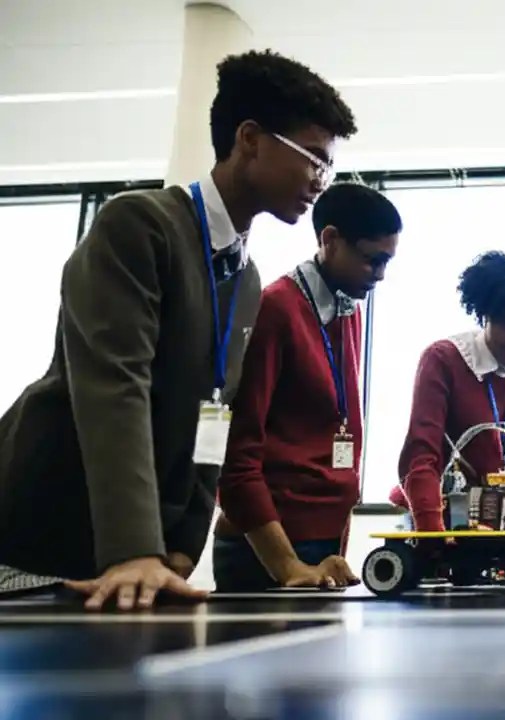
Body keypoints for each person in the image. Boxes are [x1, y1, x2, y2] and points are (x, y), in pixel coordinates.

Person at [0, 50, 356, 610]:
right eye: (313, 158)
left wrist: (181, 546)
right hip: (37, 531)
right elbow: (115, 388)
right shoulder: (139, 224)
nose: (321, 179)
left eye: (327, 165)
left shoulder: (245, 277)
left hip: (131, 553)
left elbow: (214, 417)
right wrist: (135, 548)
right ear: (250, 138)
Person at [214, 183, 401, 591]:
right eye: (373, 260)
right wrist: (287, 566)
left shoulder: (348, 308)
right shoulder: (275, 309)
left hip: (322, 542)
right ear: (329, 240)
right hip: (265, 549)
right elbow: (234, 456)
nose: (381, 275)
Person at [391, 251, 505, 532]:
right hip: (437, 515)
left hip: (497, 523)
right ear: (485, 315)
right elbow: (420, 457)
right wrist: (432, 533)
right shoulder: (443, 359)